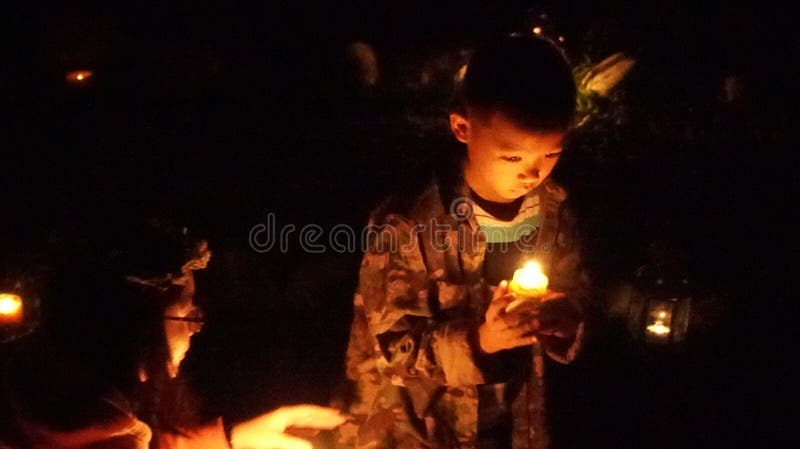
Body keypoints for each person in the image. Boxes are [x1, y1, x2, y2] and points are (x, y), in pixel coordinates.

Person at [335, 36, 588, 449]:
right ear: (462, 128)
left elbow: (575, 291)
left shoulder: (553, 213)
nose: (532, 174)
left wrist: (564, 321)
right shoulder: (410, 222)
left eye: (550, 155)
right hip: (415, 429)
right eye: (513, 157)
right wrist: (481, 341)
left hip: (512, 422)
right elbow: (393, 348)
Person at [0, 221, 345, 449]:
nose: (197, 328)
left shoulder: (50, 400)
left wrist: (232, 439)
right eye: (188, 312)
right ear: (136, 326)